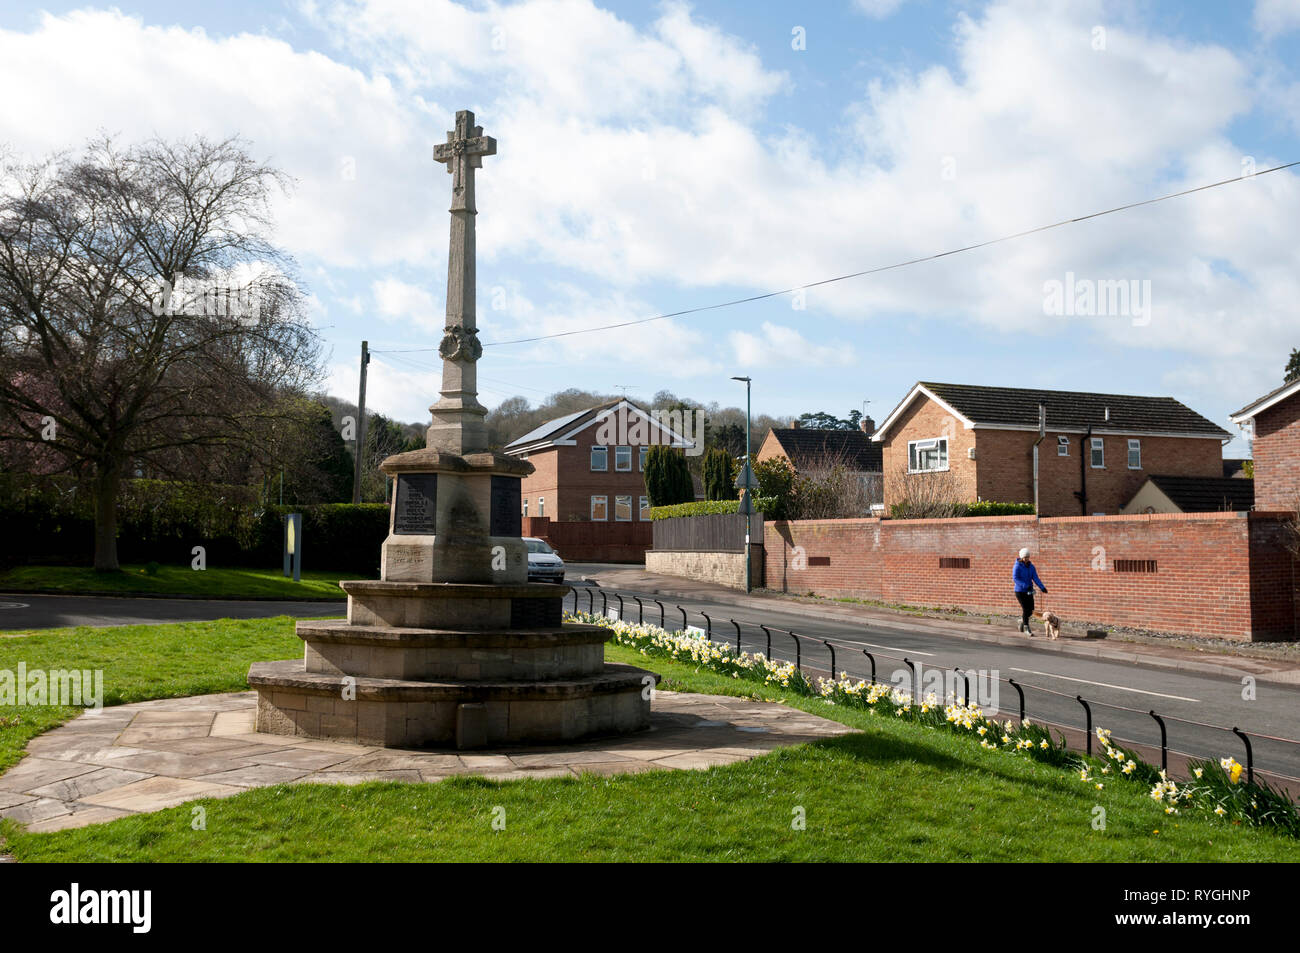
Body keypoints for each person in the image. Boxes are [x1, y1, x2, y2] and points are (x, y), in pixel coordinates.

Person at [1013, 547, 1047, 634]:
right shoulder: (1017, 566)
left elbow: (1035, 578)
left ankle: (1022, 620)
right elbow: (1016, 579)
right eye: (1025, 557)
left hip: (1029, 591)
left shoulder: (1031, 567)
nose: (1027, 559)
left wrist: (1042, 587)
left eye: (1028, 557)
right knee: (1025, 609)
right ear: (1021, 557)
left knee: (1031, 610)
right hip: (1020, 591)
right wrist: (1025, 585)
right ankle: (1026, 628)